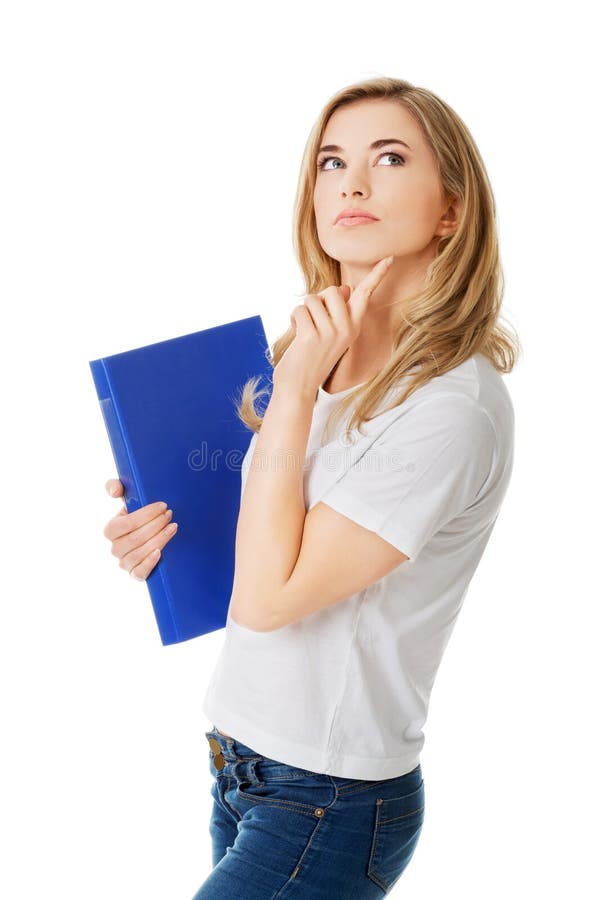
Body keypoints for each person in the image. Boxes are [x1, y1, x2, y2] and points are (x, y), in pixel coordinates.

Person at [103, 76, 520, 897]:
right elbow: (261, 554)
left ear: (451, 211)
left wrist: (292, 391)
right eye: (332, 161)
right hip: (238, 756)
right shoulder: (306, 358)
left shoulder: (450, 408)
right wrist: (161, 537)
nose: (351, 182)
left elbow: (269, 599)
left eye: (389, 158)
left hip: (330, 797)